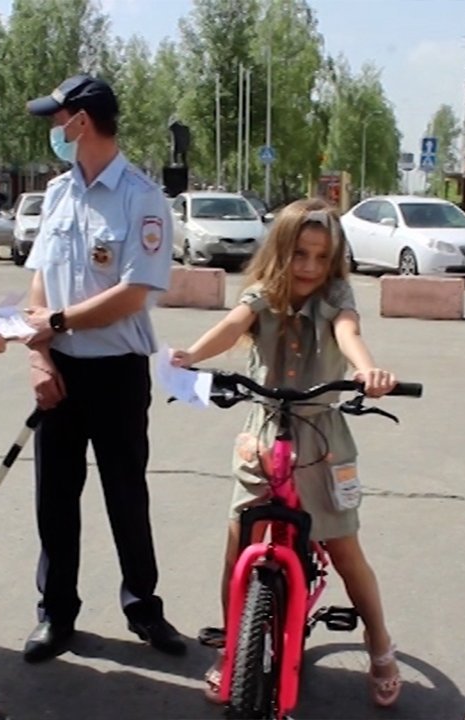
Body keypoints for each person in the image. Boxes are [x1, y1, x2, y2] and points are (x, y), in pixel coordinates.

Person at [169, 198, 404, 708]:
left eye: (322, 257)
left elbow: (349, 332)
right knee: (238, 543)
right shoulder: (262, 294)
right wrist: (190, 355)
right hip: (265, 431)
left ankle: (380, 645)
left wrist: (367, 370)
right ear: (281, 252)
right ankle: (235, 647)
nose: (311, 267)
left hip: (323, 440)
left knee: (344, 549)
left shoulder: (337, 293)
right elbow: (233, 325)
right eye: (301, 254)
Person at [17, 74, 185, 663]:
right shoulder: (59, 193)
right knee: (54, 501)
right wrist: (40, 355)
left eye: (56, 120)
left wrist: (56, 323)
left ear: (80, 122)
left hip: (115, 373)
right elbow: (38, 283)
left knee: (124, 495)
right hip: (60, 370)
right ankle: (55, 614)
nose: (53, 131)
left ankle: (144, 608)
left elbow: (135, 292)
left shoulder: (141, 197)